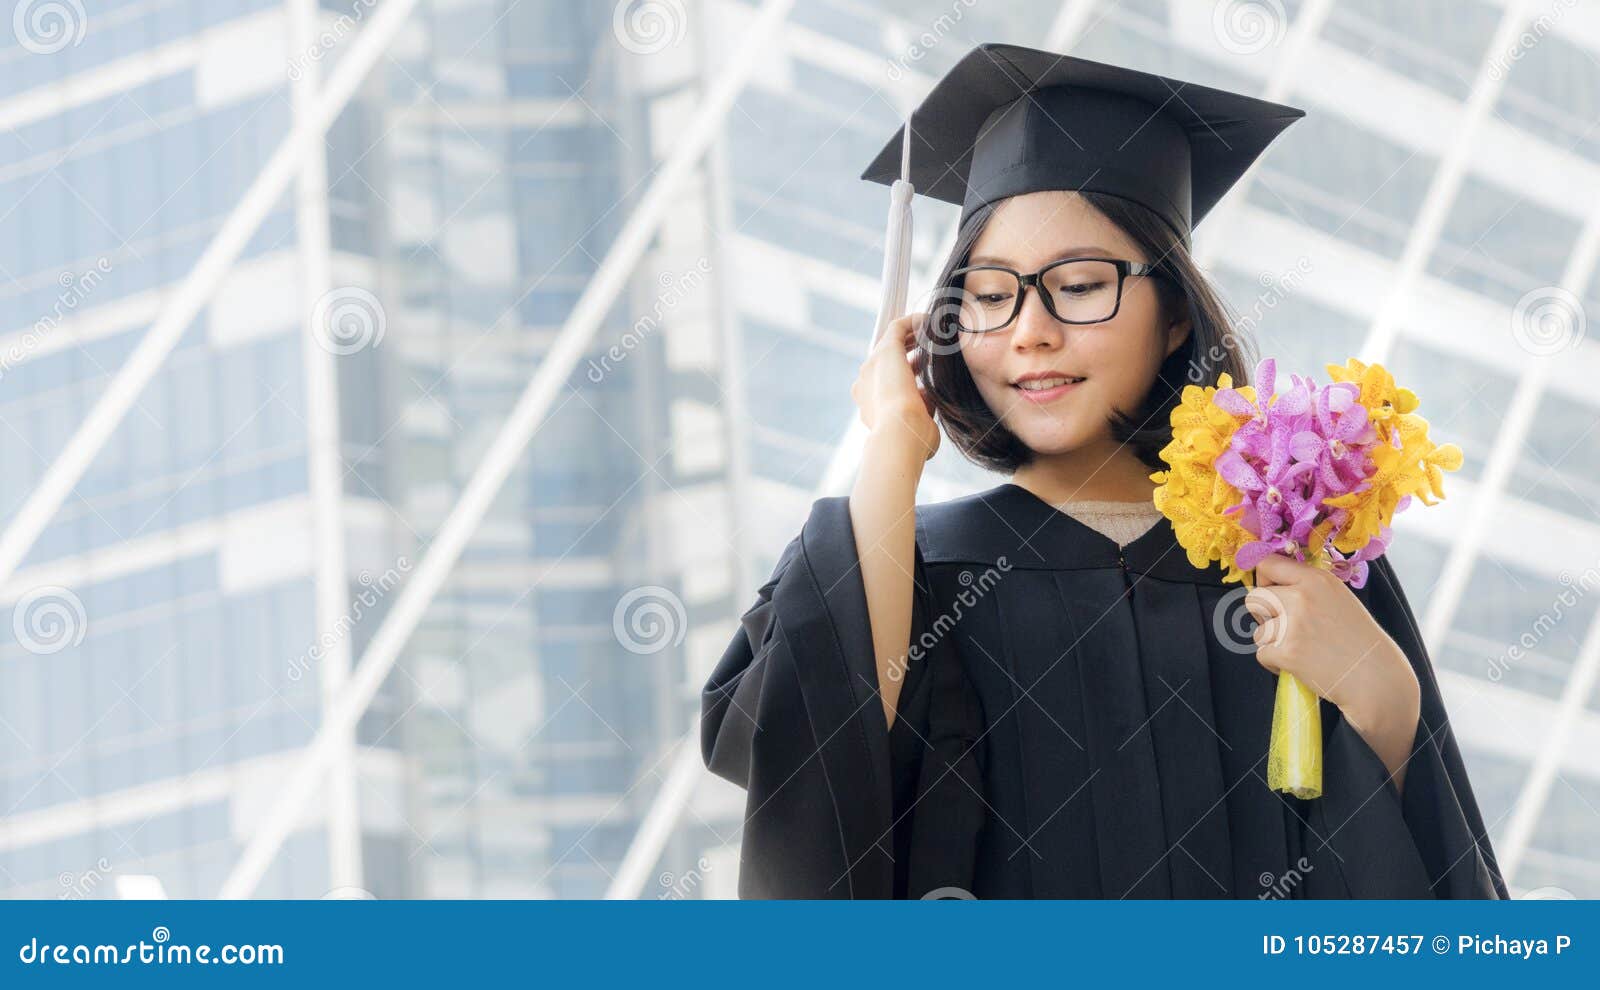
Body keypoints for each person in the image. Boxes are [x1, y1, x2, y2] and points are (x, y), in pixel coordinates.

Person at [700, 44, 1506, 900]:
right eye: (987, 293)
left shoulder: (1294, 565)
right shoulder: (916, 571)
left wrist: (1385, 700)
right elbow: (805, 771)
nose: (1030, 331)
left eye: (1081, 286)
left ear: (1173, 317)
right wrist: (896, 440)